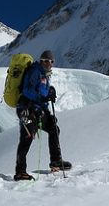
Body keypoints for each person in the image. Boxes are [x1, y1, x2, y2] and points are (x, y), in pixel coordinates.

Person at [14, 50, 72, 181]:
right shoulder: (35, 72)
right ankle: (20, 171)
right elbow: (27, 91)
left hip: (37, 110)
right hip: (26, 109)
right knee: (27, 137)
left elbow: (42, 95)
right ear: (41, 61)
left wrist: (47, 111)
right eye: (46, 61)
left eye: (51, 61)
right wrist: (44, 98)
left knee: (53, 128)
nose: (48, 63)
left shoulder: (45, 75)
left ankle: (56, 160)